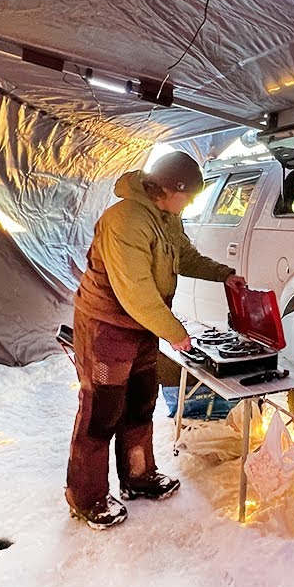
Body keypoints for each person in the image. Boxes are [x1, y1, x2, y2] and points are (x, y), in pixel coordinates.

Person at [66, 151, 240, 529]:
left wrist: (223, 275)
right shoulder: (125, 221)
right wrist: (177, 334)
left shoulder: (167, 217)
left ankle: (138, 476)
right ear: (169, 189)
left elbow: (185, 258)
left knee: (141, 402)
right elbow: (136, 292)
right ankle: (86, 497)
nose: (190, 204)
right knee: (101, 412)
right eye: (189, 196)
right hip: (107, 326)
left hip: (142, 325)